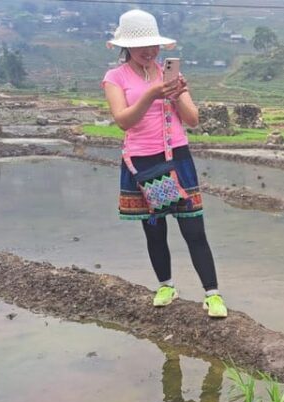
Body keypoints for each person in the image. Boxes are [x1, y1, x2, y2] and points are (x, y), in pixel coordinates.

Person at [102, 9, 227, 317]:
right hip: (143, 161)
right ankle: (166, 286)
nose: (149, 51)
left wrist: (177, 95)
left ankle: (212, 294)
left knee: (193, 228)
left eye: (153, 45)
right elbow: (123, 120)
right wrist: (151, 95)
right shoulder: (115, 78)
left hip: (177, 157)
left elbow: (193, 120)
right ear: (127, 47)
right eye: (141, 46)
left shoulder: (169, 76)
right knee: (155, 229)